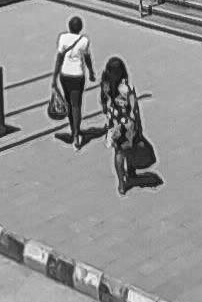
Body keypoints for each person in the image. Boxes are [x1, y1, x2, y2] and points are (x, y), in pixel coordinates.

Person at [99, 55, 146, 196]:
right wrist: (138, 124)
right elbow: (134, 108)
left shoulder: (106, 85)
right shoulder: (126, 88)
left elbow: (103, 104)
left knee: (118, 152)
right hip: (126, 123)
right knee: (129, 147)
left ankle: (121, 183)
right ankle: (131, 172)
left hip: (113, 123)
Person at [51, 13, 95, 147]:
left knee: (68, 103)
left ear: (69, 27)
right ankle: (76, 135)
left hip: (65, 75)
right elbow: (87, 59)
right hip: (78, 75)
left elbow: (59, 58)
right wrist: (91, 72)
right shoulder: (84, 41)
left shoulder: (63, 38)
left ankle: (73, 130)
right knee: (76, 105)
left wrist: (54, 77)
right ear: (80, 28)